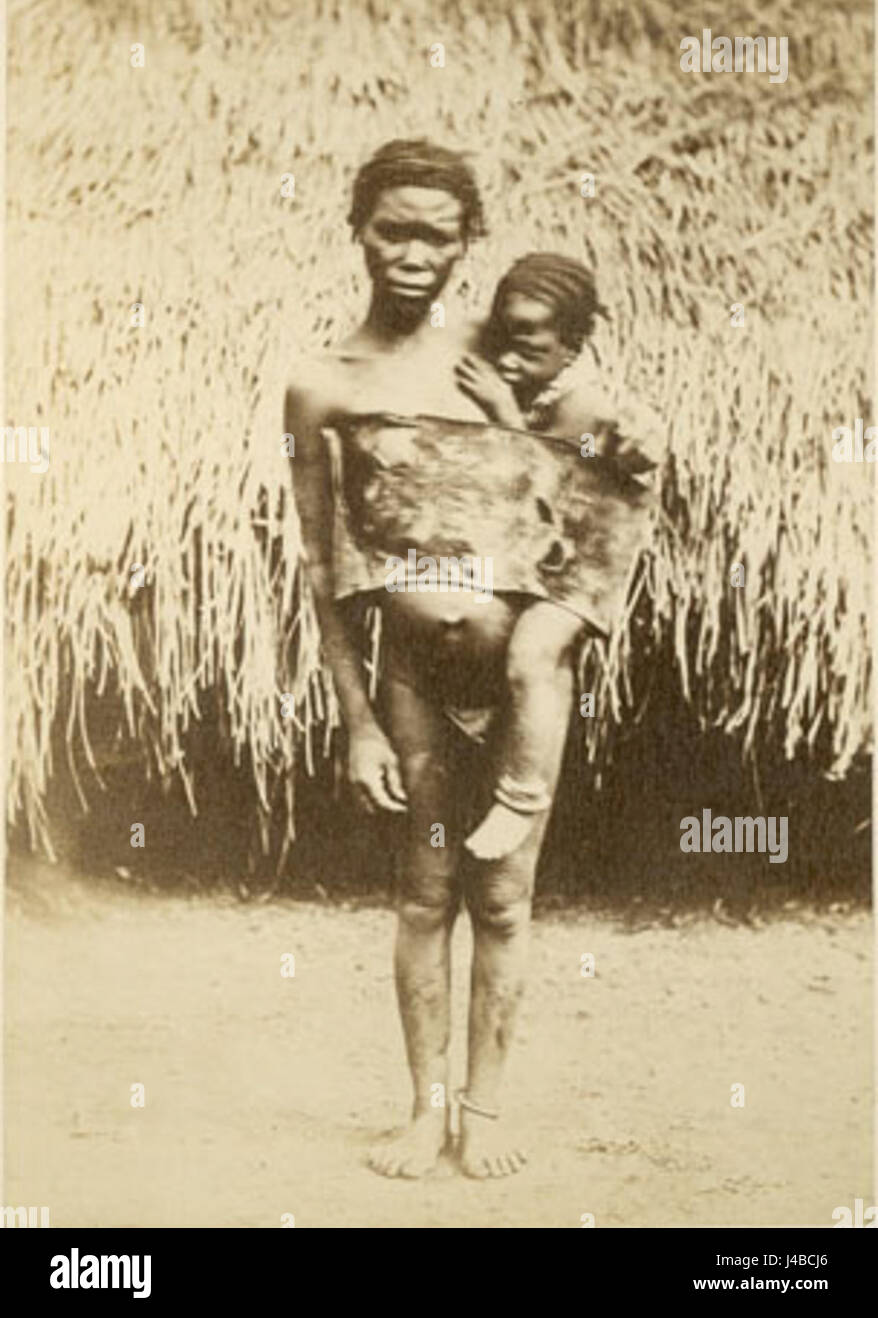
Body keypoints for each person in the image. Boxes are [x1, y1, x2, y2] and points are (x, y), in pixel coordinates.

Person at [285, 140, 641, 1180]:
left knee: (502, 900)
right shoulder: (323, 384)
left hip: (521, 684)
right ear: (357, 229)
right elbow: (321, 562)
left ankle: (483, 1112)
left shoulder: (504, 360)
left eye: (437, 236)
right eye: (392, 230)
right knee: (423, 894)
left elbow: (604, 461)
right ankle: (422, 1112)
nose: (412, 254)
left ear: (467, 242)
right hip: (411, 686)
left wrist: (575, 448)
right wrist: (356, 719)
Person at [454, 253, 658, 861]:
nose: (508, 361)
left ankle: (522, 797)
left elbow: (541, 485)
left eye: (528, 347)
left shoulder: (584, 404)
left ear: (570, 347)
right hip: (542, 552)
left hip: (588, 559)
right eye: (502, 341)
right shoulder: (541, 388)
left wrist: (501, 411)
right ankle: (481, 717)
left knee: (534, 652)